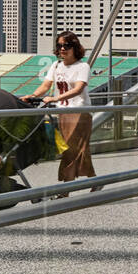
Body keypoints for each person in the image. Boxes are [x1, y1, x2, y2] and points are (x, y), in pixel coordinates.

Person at [23, 31, 94, 186]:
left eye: (66, 45)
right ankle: (94, 181)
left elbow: (78, 89)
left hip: (79, 113)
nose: (62, 49)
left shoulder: (83, 66)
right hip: (63, 114)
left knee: (69, 150)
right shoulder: (56, 66)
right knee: (78, 151)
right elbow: (46, 85)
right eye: (60, 45)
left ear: (75, 47)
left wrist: (55, 98)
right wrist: (32, 95)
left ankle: (64, 190)